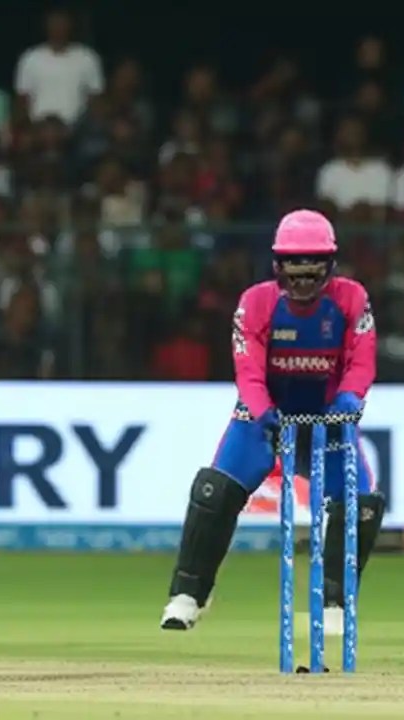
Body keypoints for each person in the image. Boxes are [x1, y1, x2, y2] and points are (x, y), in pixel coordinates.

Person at [160, 209, 386, 634]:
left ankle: (335, 602)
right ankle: (188, 595)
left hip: (327, 417)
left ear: (330, 264)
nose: (303, 278)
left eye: (312, 266)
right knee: (214, 491)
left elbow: (362, 359)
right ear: (277, 264)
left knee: (361, 505)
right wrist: (266, 415)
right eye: (294, 266)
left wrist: (349, 400)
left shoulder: (351, 297)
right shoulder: (256, 301)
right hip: (264, 416)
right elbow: (248, 371)